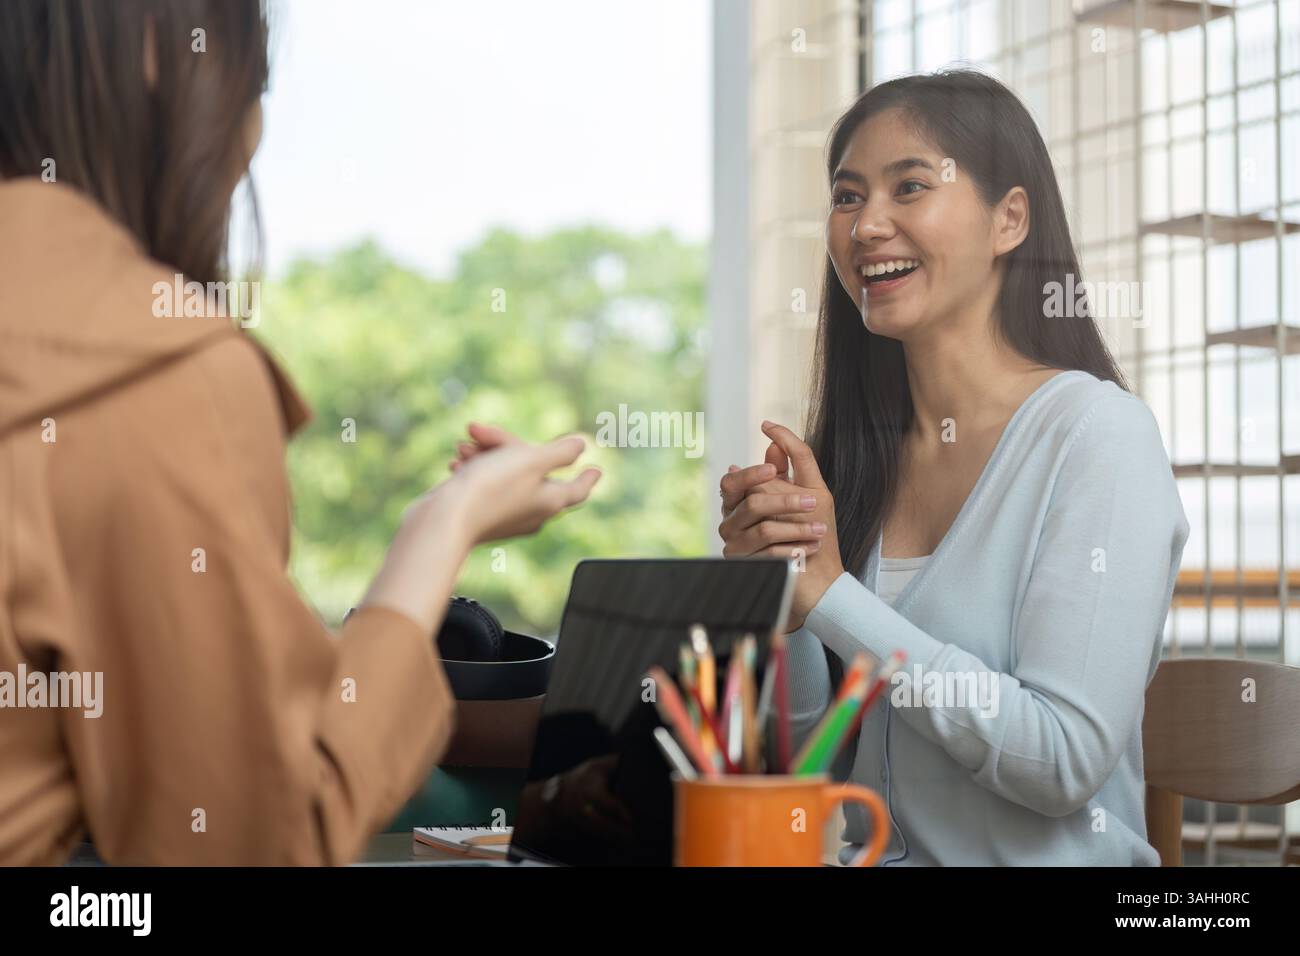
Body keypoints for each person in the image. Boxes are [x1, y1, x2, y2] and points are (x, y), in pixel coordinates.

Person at [0, 0, 598, 865]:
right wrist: (441, 530)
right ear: (163, 63)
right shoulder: (151, 373)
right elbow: (253, 842)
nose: (249, 136)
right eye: (255, 84)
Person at [717, 70, 1189, 865]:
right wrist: (786, 603)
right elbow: (811, 773)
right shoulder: (853, 460)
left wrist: (835, 597)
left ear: (1009, 219)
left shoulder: (1098, 437)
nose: (868, 225)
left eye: (910, 187)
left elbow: (1063, 761)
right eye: (847, 197)